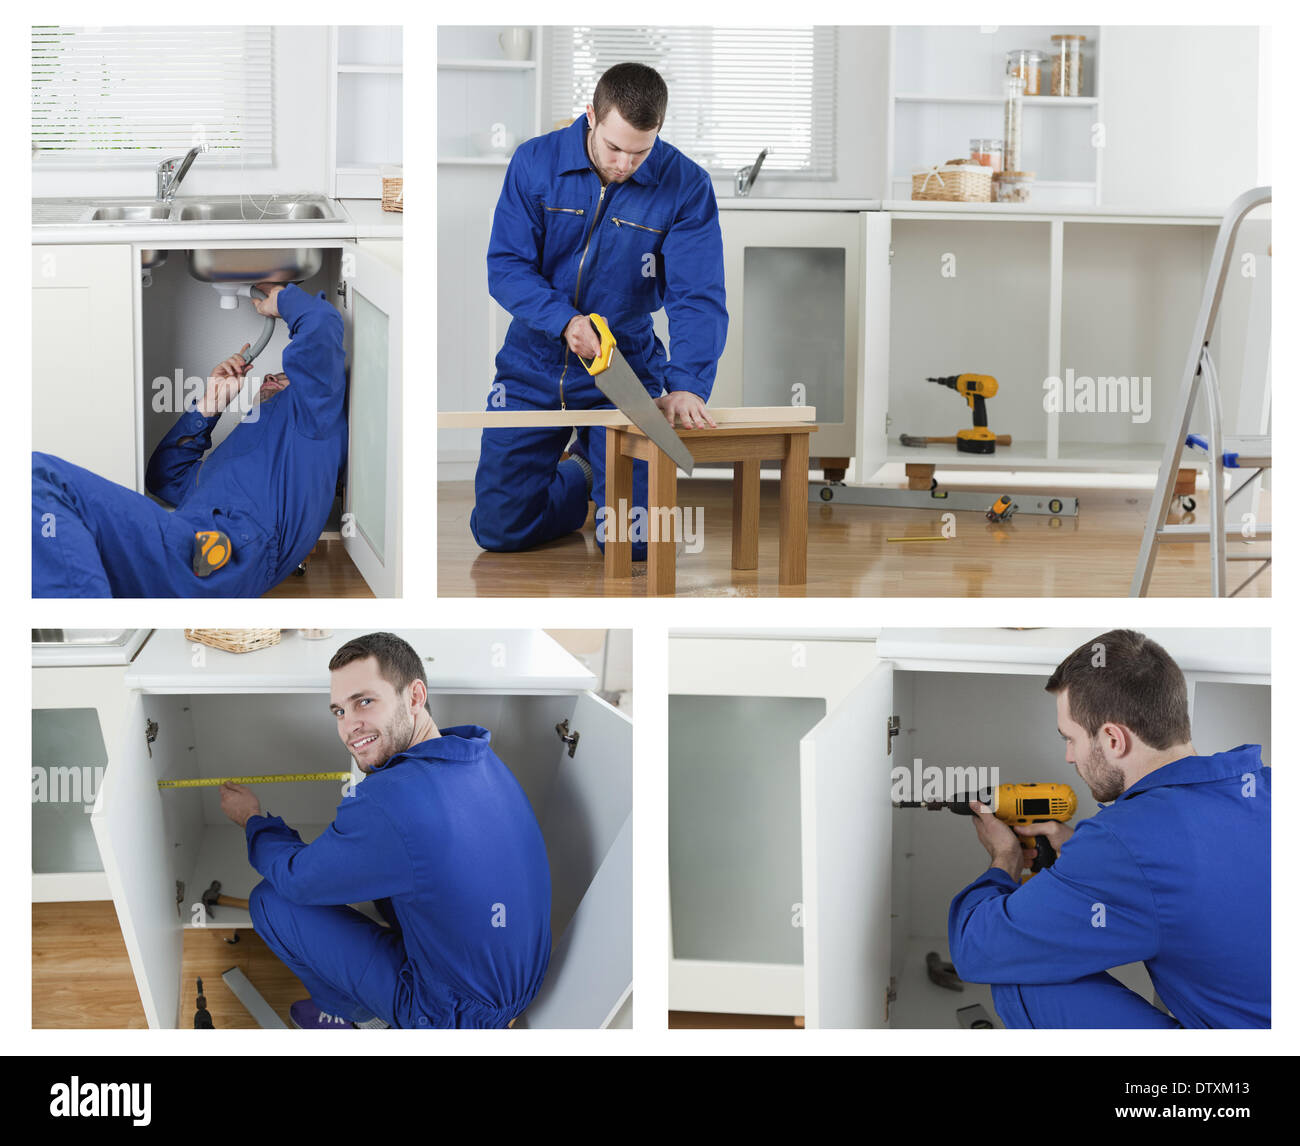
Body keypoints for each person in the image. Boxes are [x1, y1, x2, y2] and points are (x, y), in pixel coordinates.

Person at [219, 632, 553, 1029]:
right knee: (390, 882)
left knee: (271, 901)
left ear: (414, 696)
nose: (349, 728)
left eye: (364, 701)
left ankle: (350, 1016)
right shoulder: (478, 754)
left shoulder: (391, 800)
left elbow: (297, 878)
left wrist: (254, 821)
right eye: (339, 711)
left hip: (451, 1017)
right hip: (524, 983)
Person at [948, 629, 1270, 1028]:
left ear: (1114, 739)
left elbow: (976, 948)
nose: (1069, 757)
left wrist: (1005, 859)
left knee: (1017, 968)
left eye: (1071, 738)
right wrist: (1089, 855)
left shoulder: (1126, 841)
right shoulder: (1266, 785)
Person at [471, 61, 727, 560]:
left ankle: (601, 457)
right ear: (591, 115)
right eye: (614, 147)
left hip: (624, 366)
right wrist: (564, 321)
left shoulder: (686, 186)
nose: (625, 165)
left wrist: (688, 383)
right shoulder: (534, 163)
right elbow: (506, 267)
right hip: (532, 363)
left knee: (638, 545)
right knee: (500, 531)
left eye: (641, 151)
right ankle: (583, 471)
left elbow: (697, 295)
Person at [32, 281, 346, 597]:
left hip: (220, 550)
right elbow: (165, 478)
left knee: (38, 480)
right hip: (188, 541)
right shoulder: (241, 454)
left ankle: (87, 631)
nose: (268, 377)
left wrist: (283, 299)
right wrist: (210, 404)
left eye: (282, 378)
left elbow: (321, 323)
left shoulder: (311, 419)